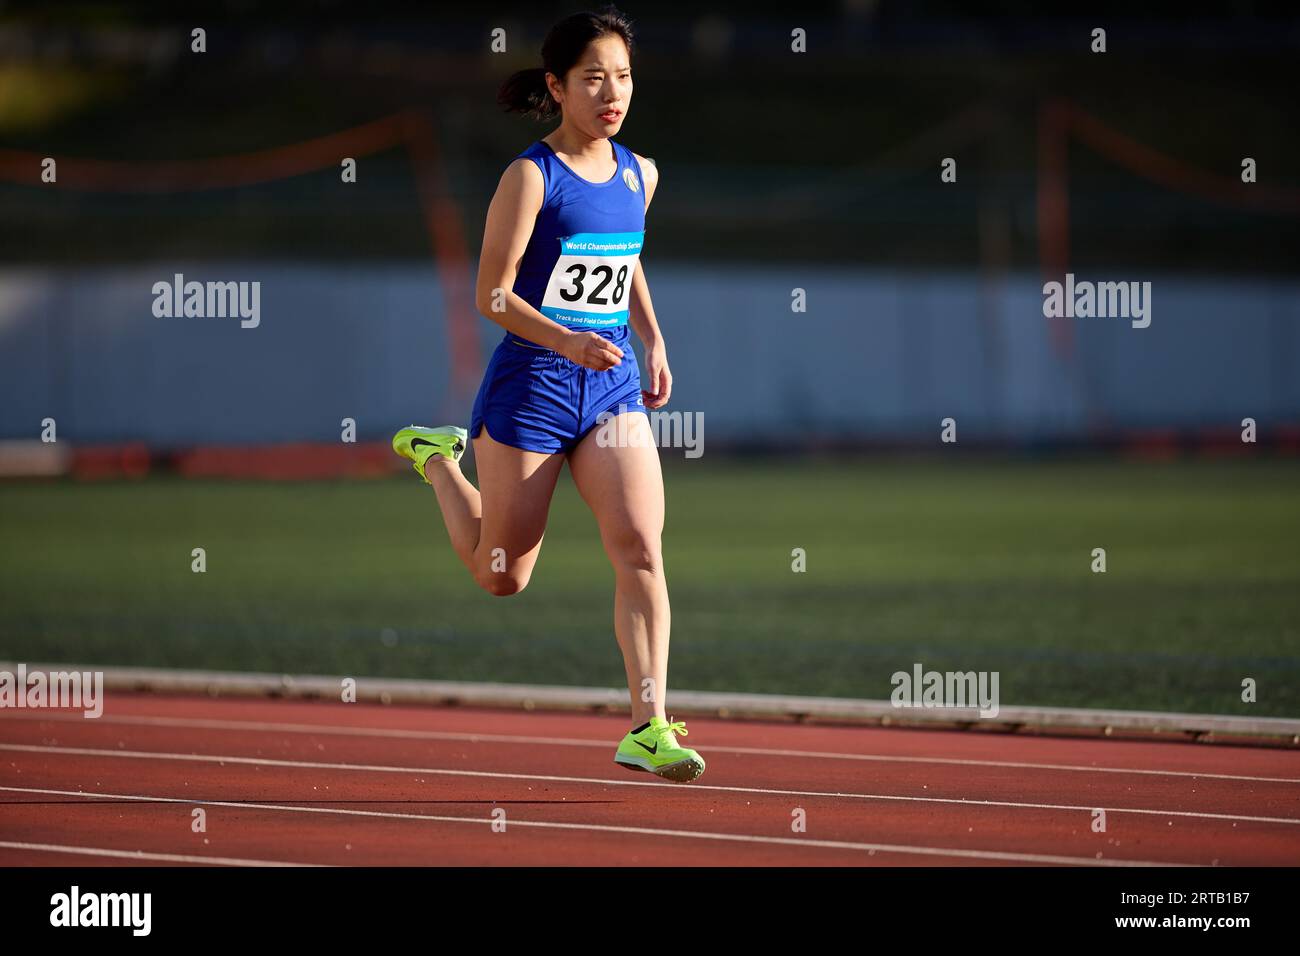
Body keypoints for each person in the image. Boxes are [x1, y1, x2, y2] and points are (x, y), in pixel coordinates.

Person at [392, 6, 704, 783]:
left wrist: (654, 337)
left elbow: (624, 258)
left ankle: (648, 723)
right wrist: (564, 340)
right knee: (503, 573)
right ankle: (437, 461)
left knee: (638, 544)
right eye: (594, 76)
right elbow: (490, 295)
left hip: (612, 387)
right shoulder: (531, 175)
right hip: (532, 385)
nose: (613, 91)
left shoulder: (642, 172)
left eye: (624, 76)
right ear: (558, 86)